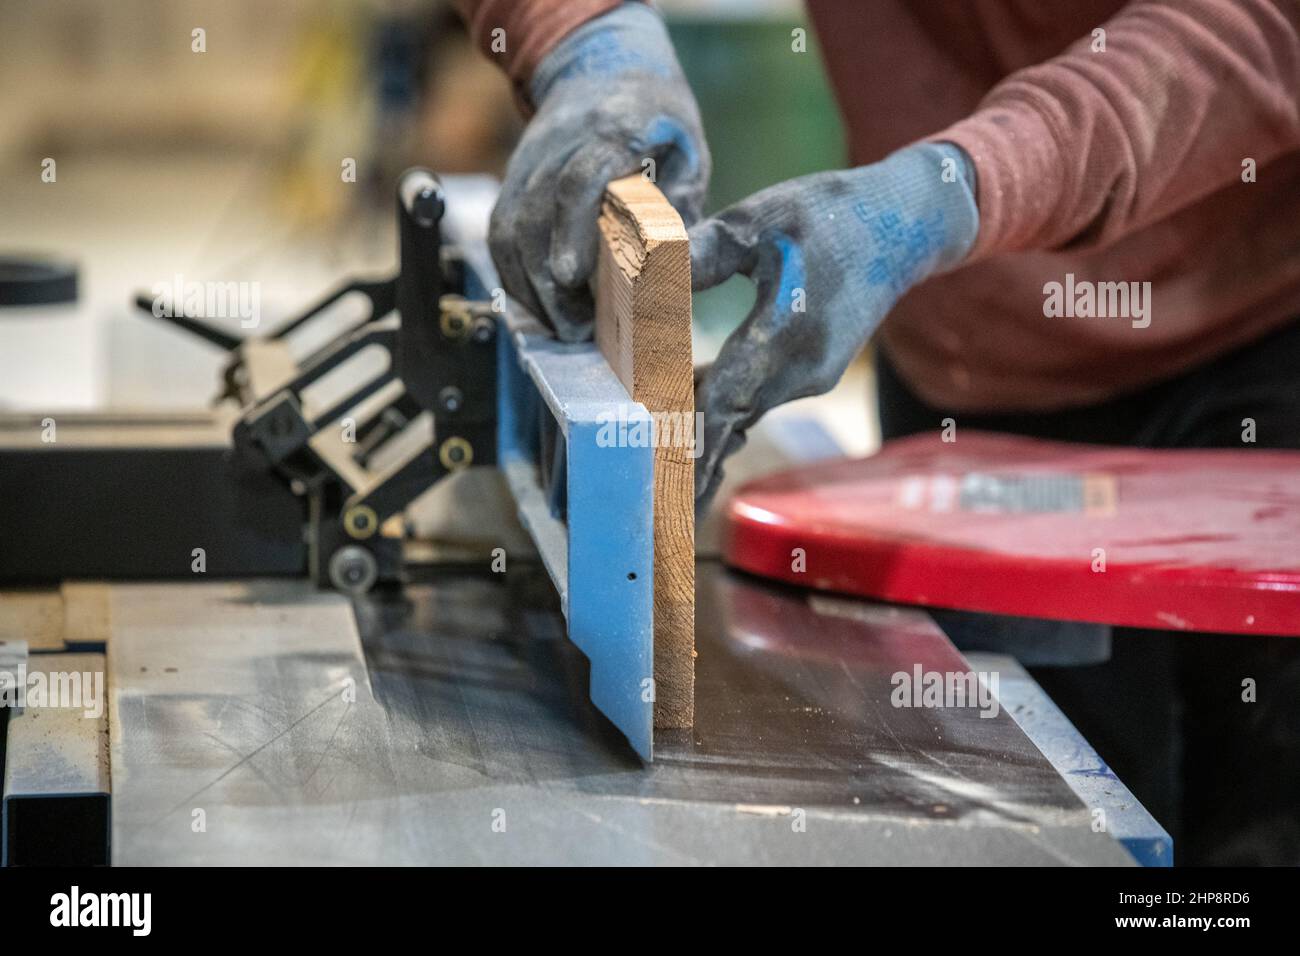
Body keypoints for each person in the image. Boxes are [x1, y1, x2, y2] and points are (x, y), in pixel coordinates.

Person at [455, 0, 1300, 864]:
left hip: (1256, 338)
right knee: (1037, 820)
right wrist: (581, 36)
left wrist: (959, 187)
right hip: (969, 366)